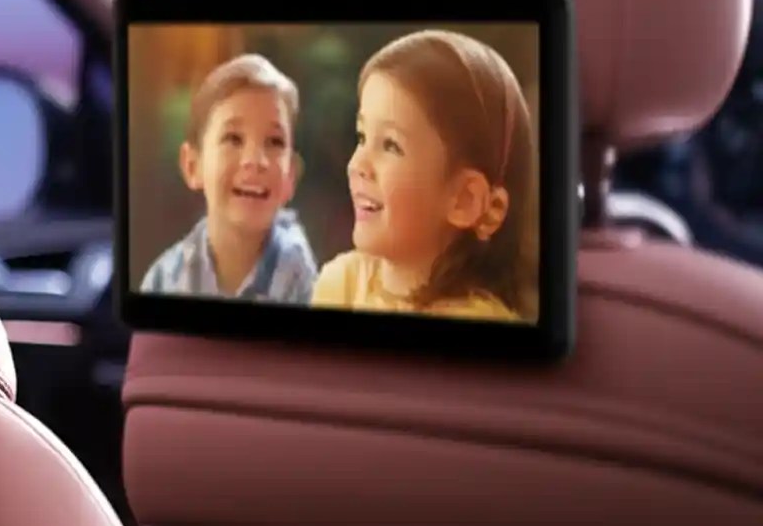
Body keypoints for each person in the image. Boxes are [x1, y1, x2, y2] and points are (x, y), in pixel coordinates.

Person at [311, 30, 536, 322]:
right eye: (362, 136)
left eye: (391, 145)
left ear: (465, 200)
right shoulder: (340, 284)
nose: (356, 164)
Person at [140, 53, 318, 303]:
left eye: (274, 142)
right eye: (233, 138)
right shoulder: (165, 279)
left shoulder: (297, 273)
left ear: (290, 177)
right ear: (193, 166)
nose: (256, 160)